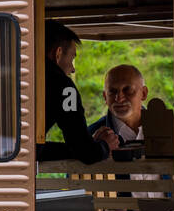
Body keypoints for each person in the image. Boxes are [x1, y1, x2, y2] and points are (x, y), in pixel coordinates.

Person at [38, 22, 120, 164]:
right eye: (72, 58)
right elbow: (85, 152)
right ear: (57, 54)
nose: (73, 69)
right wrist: (105, 146)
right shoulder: (62, 86)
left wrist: (85, 148)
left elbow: (31, 150)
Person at [88, 63, 150, 145]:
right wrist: (100, 151)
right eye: (112, 92)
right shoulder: (89, 137)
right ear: (105, 97)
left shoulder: (166, 127)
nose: (119, 99)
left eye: (127, 90)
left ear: (143, 93)